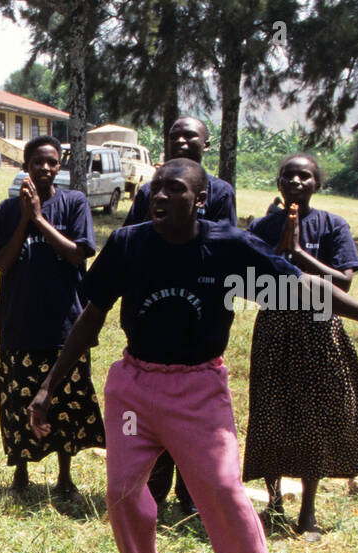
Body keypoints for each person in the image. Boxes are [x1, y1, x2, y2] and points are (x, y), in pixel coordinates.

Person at [28, 159, 358, 553]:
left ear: (199, 201)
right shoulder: (130, 245)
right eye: (156, 189)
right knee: (121, 491)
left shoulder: (226, 249)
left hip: (198, 390)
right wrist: (49, 385)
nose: (159, 198)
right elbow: (92, 316)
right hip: (134, 385)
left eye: (174, 190)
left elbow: (304, 289)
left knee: (223, 491)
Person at [245, 154, 358, 539]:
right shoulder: (261, 227)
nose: (296, 181)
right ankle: (273, 501)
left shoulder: (333, 226)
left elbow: (344, 284)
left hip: (320, 328)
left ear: (317, 182)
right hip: (274, 327)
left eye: (305, 175)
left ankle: (307, 511)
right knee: (270, 411)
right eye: (289, 175)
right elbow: (250, 283)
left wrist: (298, 253)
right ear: (279, 182)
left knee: (316, 415)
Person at [125, 116, 237, 518]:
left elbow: (223, 248)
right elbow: (132, 243)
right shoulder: (147, 191)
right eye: (175, 135)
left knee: (194, 423)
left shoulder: (219, 192)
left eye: (191, 135)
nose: (183, 140)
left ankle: (192, 497)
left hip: (198, 311)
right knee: (151, 417)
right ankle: (152, 492)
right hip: (152, 311)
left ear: (206, 144)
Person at [0, 135, 103, 495]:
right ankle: (20, 470)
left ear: (60, 167)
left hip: (65, 324)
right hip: (19, 321)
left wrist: (39, 218)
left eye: (52, 162)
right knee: (18, 397)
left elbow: (78, 254)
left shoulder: (74, 203)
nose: (45, 168)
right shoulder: (8, 211)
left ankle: (64, 475)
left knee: (65, 399)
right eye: (37, 162)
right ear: (25, 167)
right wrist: (24, 220)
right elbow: (1, 262)